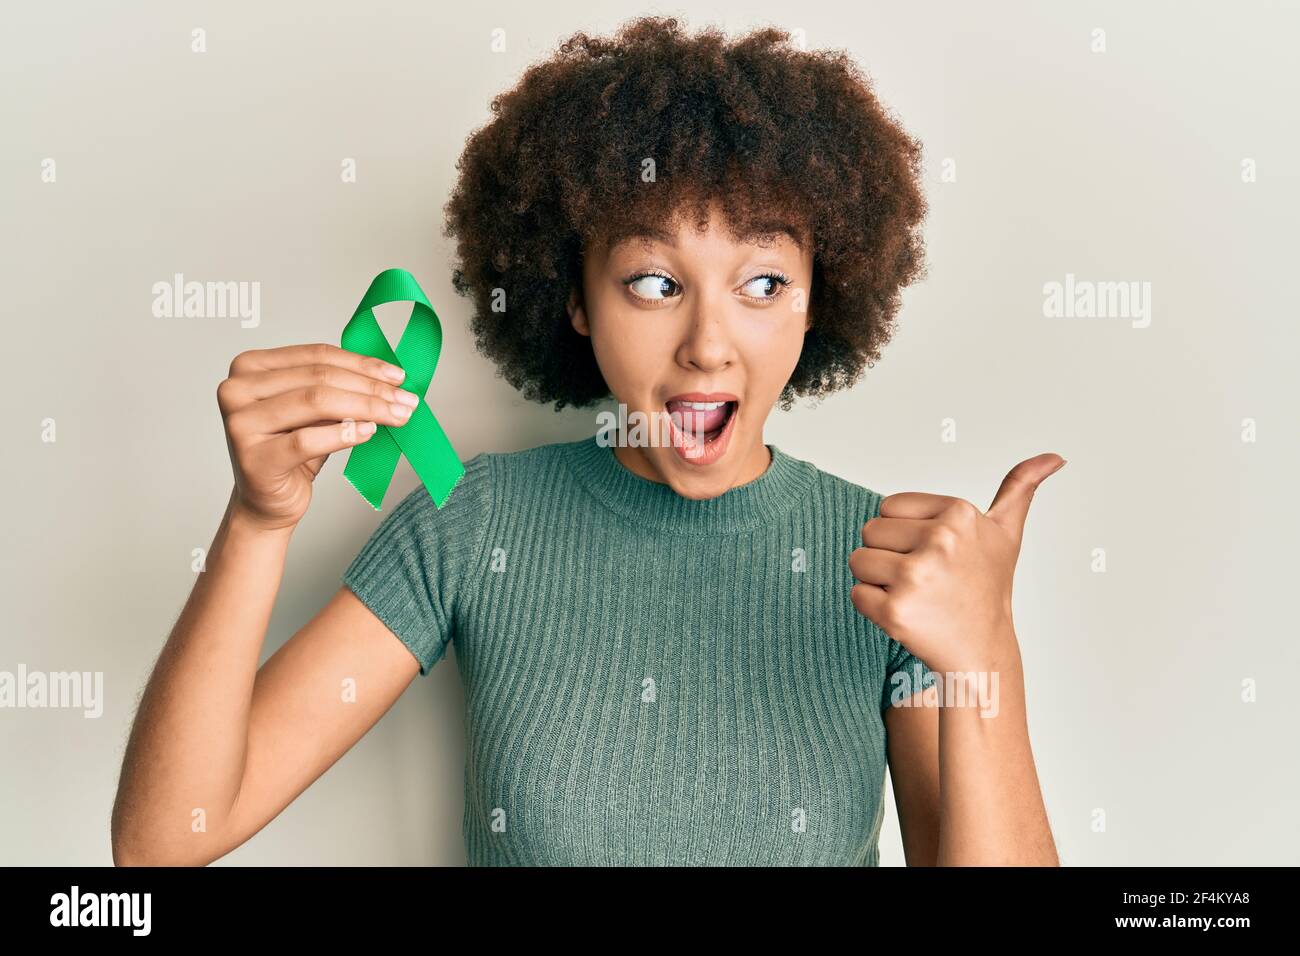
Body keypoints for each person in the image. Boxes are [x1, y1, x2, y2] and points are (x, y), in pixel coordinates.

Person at [111, 15, 1060, 866]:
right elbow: (163, 842)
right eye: (654, 281)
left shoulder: (889, 568)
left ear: (822, 302)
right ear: (574, 298)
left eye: (763, 282)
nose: (707, 345)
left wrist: (988, 654)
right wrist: (257, 519)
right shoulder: (471, 522)